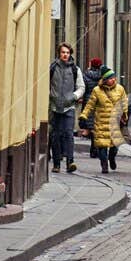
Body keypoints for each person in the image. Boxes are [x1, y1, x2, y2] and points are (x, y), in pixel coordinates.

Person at [80, 67, 127, 174]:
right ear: (105, 80)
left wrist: (125, 115)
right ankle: (104, 164)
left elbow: (124, 103)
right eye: (111, 78)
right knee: (102, 146)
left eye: (114, 77)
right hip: (101, 122)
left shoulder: (120, 89)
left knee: (115, 146)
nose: (114, 80)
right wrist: (84, 115)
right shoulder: (97, 90)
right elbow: (90, 105)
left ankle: (112, 157)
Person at [47, 42, 85, 174]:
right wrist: (50, 95)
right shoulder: (52, 67)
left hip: (69, 107)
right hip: (54, 107)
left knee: (69, 134)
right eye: (63, 52)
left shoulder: (75, 69)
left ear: (70, 54)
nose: (65, 55)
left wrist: (74, 96)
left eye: (67, 53)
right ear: (59, 53)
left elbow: (81, 87)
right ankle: (56, 163)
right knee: (56, 135)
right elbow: (46, 84)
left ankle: (70, 162)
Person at [82, 57, 104, 158]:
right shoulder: (102, 75)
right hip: (100, 101)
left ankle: (93, 150)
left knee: (91, 126)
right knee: (97, 126)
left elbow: (84, 88)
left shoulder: (86, 75)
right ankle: (96, 149)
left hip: (89, 100)